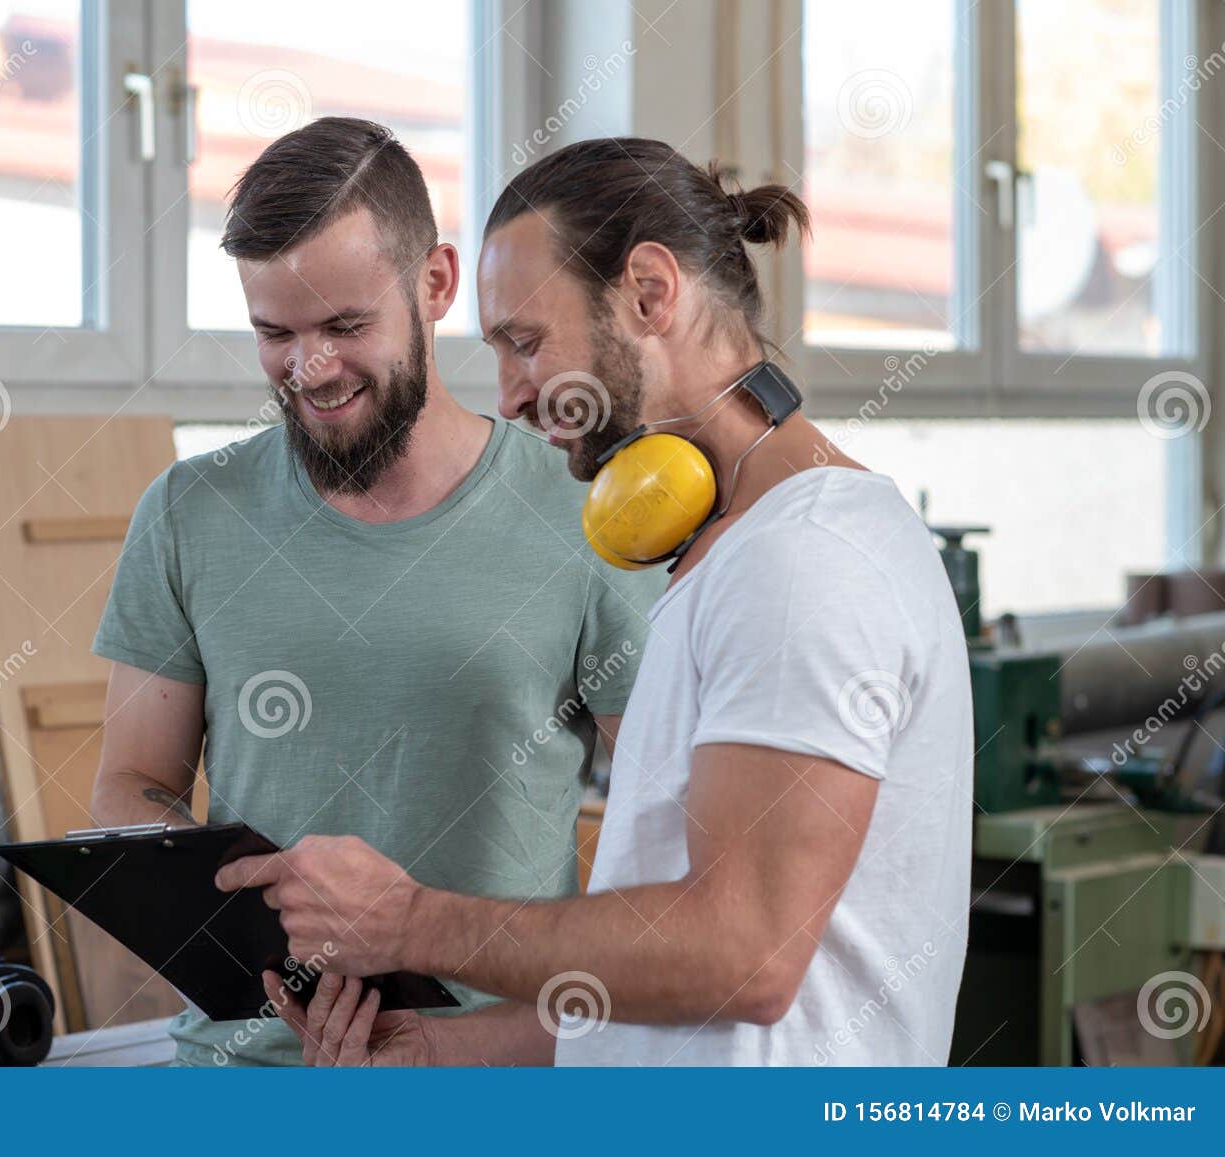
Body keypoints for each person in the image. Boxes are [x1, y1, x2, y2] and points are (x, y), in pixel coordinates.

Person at [215, 137, 975, 1067]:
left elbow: (741, 956)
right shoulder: (737, 549)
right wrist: (436, 1049)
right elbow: (666, 984)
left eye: (527, 343)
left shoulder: (803, 557)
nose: (511, 397)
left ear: (650, 293)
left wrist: (409, 921)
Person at [89, 119, 660, 1066]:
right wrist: (245, 917)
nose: (310, 368)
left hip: (484, 1072)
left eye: (345, 327)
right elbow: (131, 783)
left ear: (435, 283)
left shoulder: (587, 512)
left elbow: (674, 831)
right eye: (276, 333)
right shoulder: (190, 511)